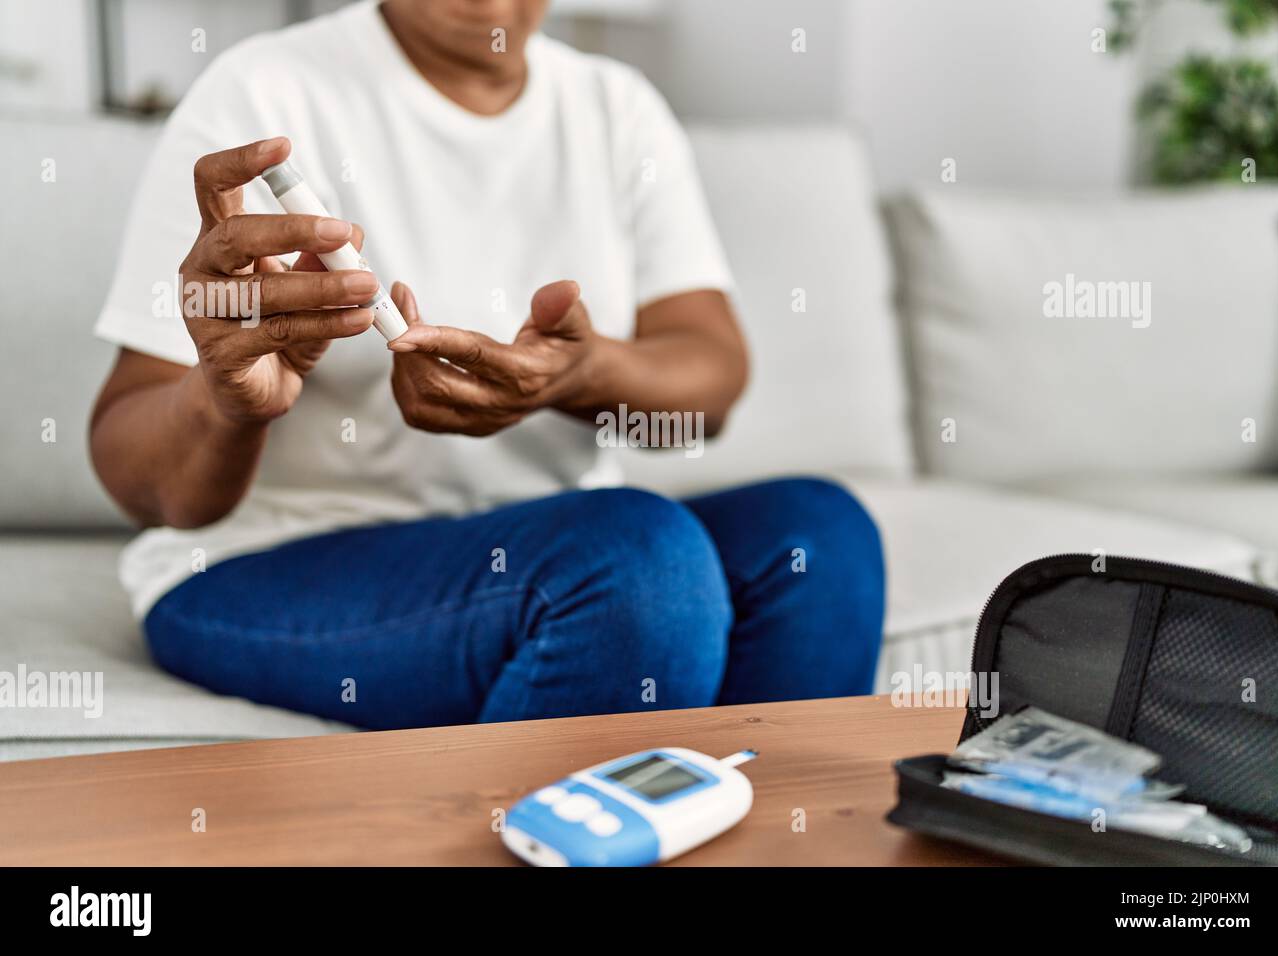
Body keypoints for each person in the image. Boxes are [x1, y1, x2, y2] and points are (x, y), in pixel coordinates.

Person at [88, 0, 885, 729]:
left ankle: (731, 818)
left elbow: (709, 386)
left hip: (542, 549)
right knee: (636, 563)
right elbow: (144, 487)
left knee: (822, 538)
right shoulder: (263, 93)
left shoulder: (616, 108)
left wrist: (581, 376)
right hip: (268, 563)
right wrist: (230, 401)